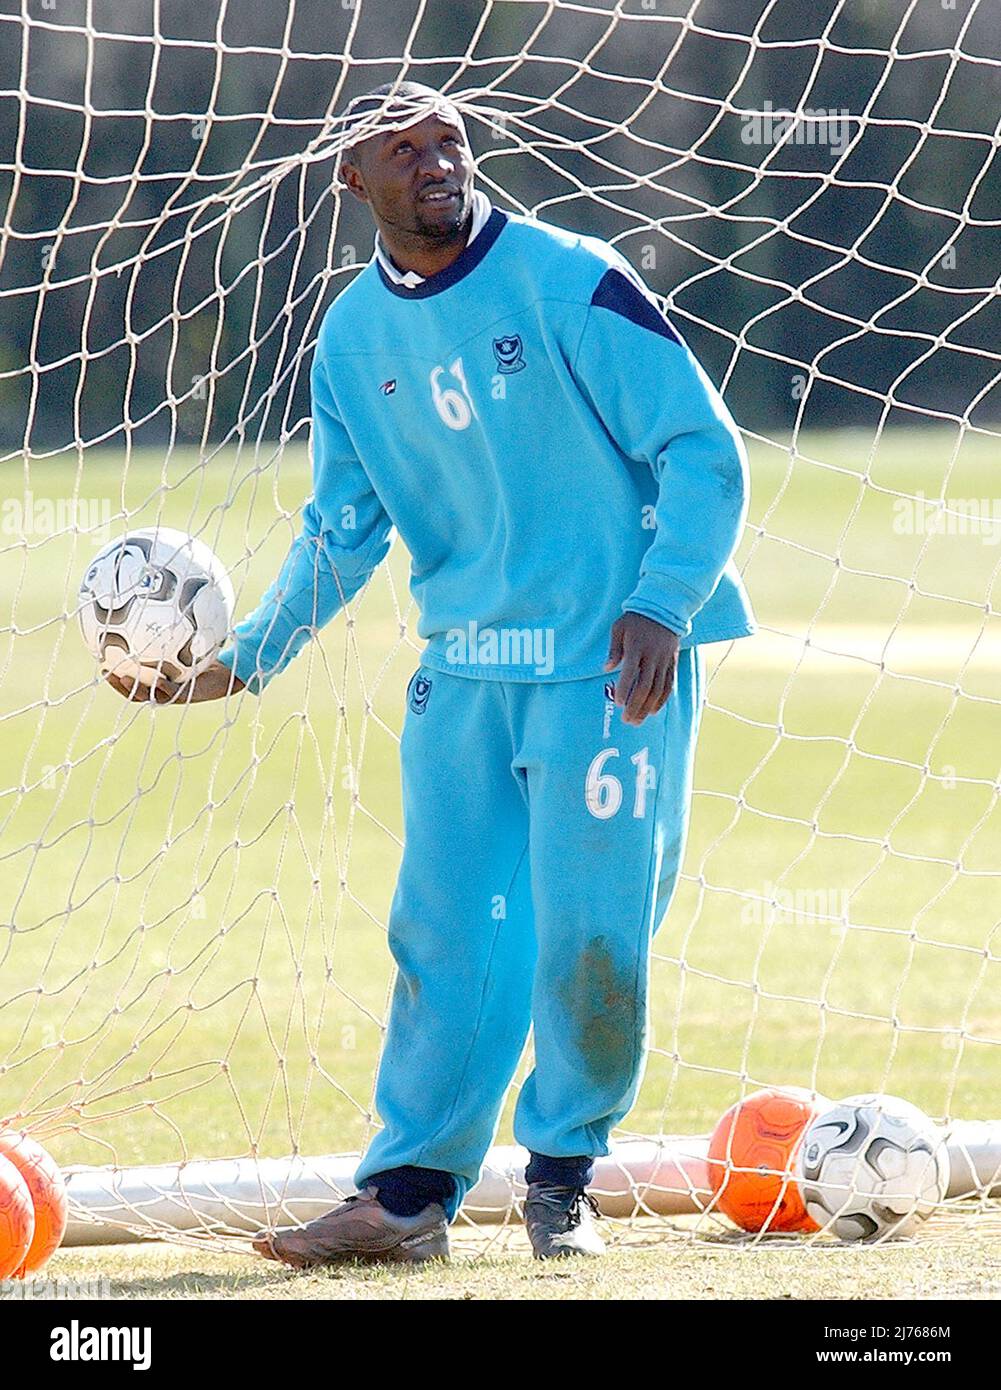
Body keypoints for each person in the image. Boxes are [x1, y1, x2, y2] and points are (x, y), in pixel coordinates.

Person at [108, 81, 755, 1265]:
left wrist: (662, 603)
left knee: (586, 936)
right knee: (447, 936)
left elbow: (700, 450)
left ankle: (562, 1179)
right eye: (400, 150)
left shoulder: (571, 276)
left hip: (608, 673)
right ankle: (406, 1197)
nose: (432, 162)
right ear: (351, 180)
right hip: (462, 674)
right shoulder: (351, 337)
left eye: (447, 141)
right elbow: (342, 528)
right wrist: (245, 661)